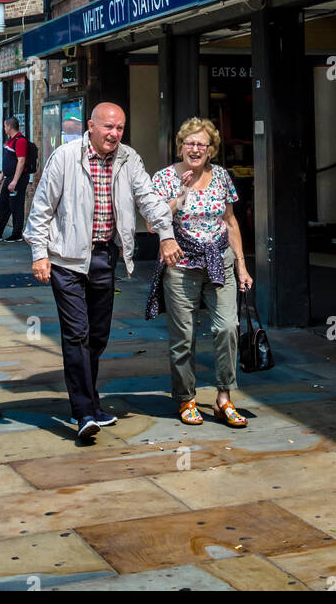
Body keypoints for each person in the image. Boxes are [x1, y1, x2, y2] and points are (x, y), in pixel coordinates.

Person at [25, 102, 182, 441]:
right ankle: (83, 411)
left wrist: (166, 234)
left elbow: (149, 199)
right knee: (77, 333)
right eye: (108, 127)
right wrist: (40, 254)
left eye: (120, 128)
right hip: (66, 259)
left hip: (103, 258)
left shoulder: (128, 159)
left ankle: (91, 402)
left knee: (98, 335)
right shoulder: (65, 158)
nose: (114, 134)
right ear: (91, 126)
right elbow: (41, 210)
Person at [148, 117, 253, 428]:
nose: (195, 149)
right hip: (180, 266)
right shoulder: (165, 178)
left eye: (201, 145)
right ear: (181, 146)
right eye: (189, 143)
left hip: (220, 262)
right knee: (184, 336)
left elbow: (231, 222)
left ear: (211, 150)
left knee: (227, 328)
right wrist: (178, 199)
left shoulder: (221, 176)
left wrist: (242, 264)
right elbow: (154, 223)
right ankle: (186, 398)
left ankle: (224, 398)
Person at [0, 116, 30, 242]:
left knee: (16, 206)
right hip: (9, 177)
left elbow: (21, 161)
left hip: (18, 179)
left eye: (5, 126)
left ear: (9, 127)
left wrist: (15, 181)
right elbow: (9, 160)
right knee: (3, 204)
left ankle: (16, 234)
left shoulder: (20, 141)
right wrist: (2, 174)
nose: (4, 128)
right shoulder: (10, 141)